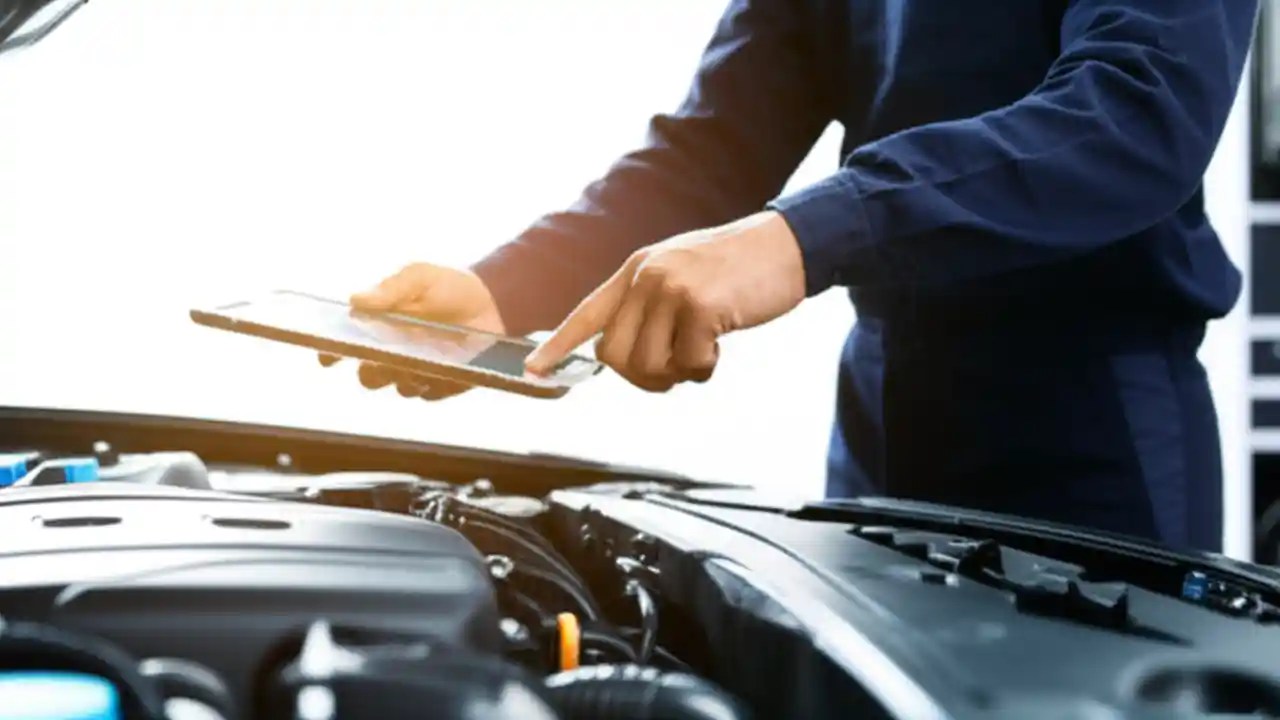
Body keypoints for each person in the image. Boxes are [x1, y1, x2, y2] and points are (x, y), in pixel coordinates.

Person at [336, 0, 1258, 552]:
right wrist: (505, 291)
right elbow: (715, 147)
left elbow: (1139, 109)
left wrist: (801, 236)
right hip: (878, 428)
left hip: (1089, 441)